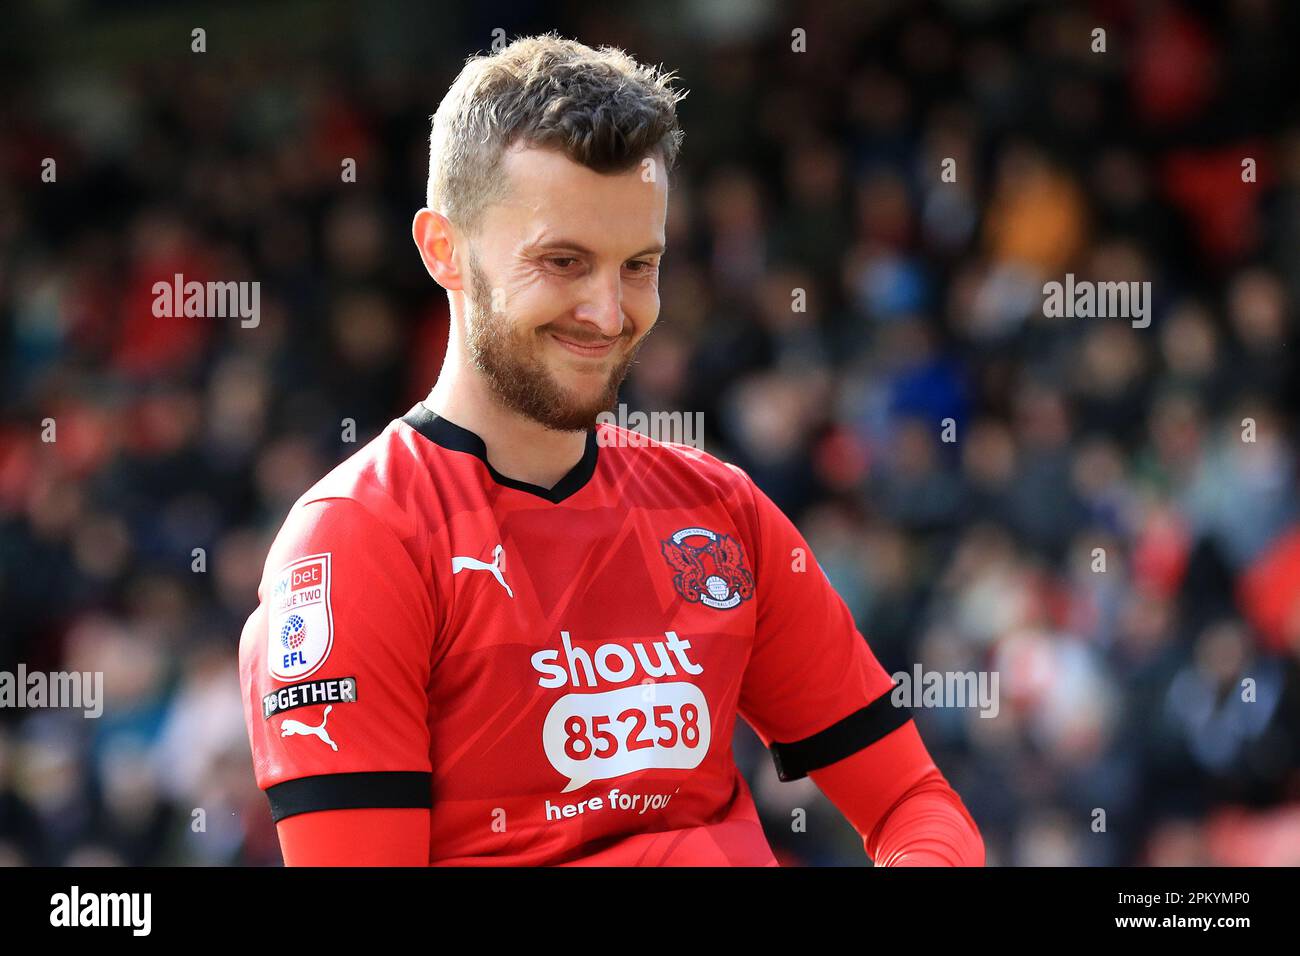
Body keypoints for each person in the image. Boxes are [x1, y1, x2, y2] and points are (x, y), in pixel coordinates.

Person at [237, 32, 984, 866]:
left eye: (639, 265)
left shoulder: (720, 511)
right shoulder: (359, 542)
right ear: (444, 251)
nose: (607, 310)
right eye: (563, 261)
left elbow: (914, 803)